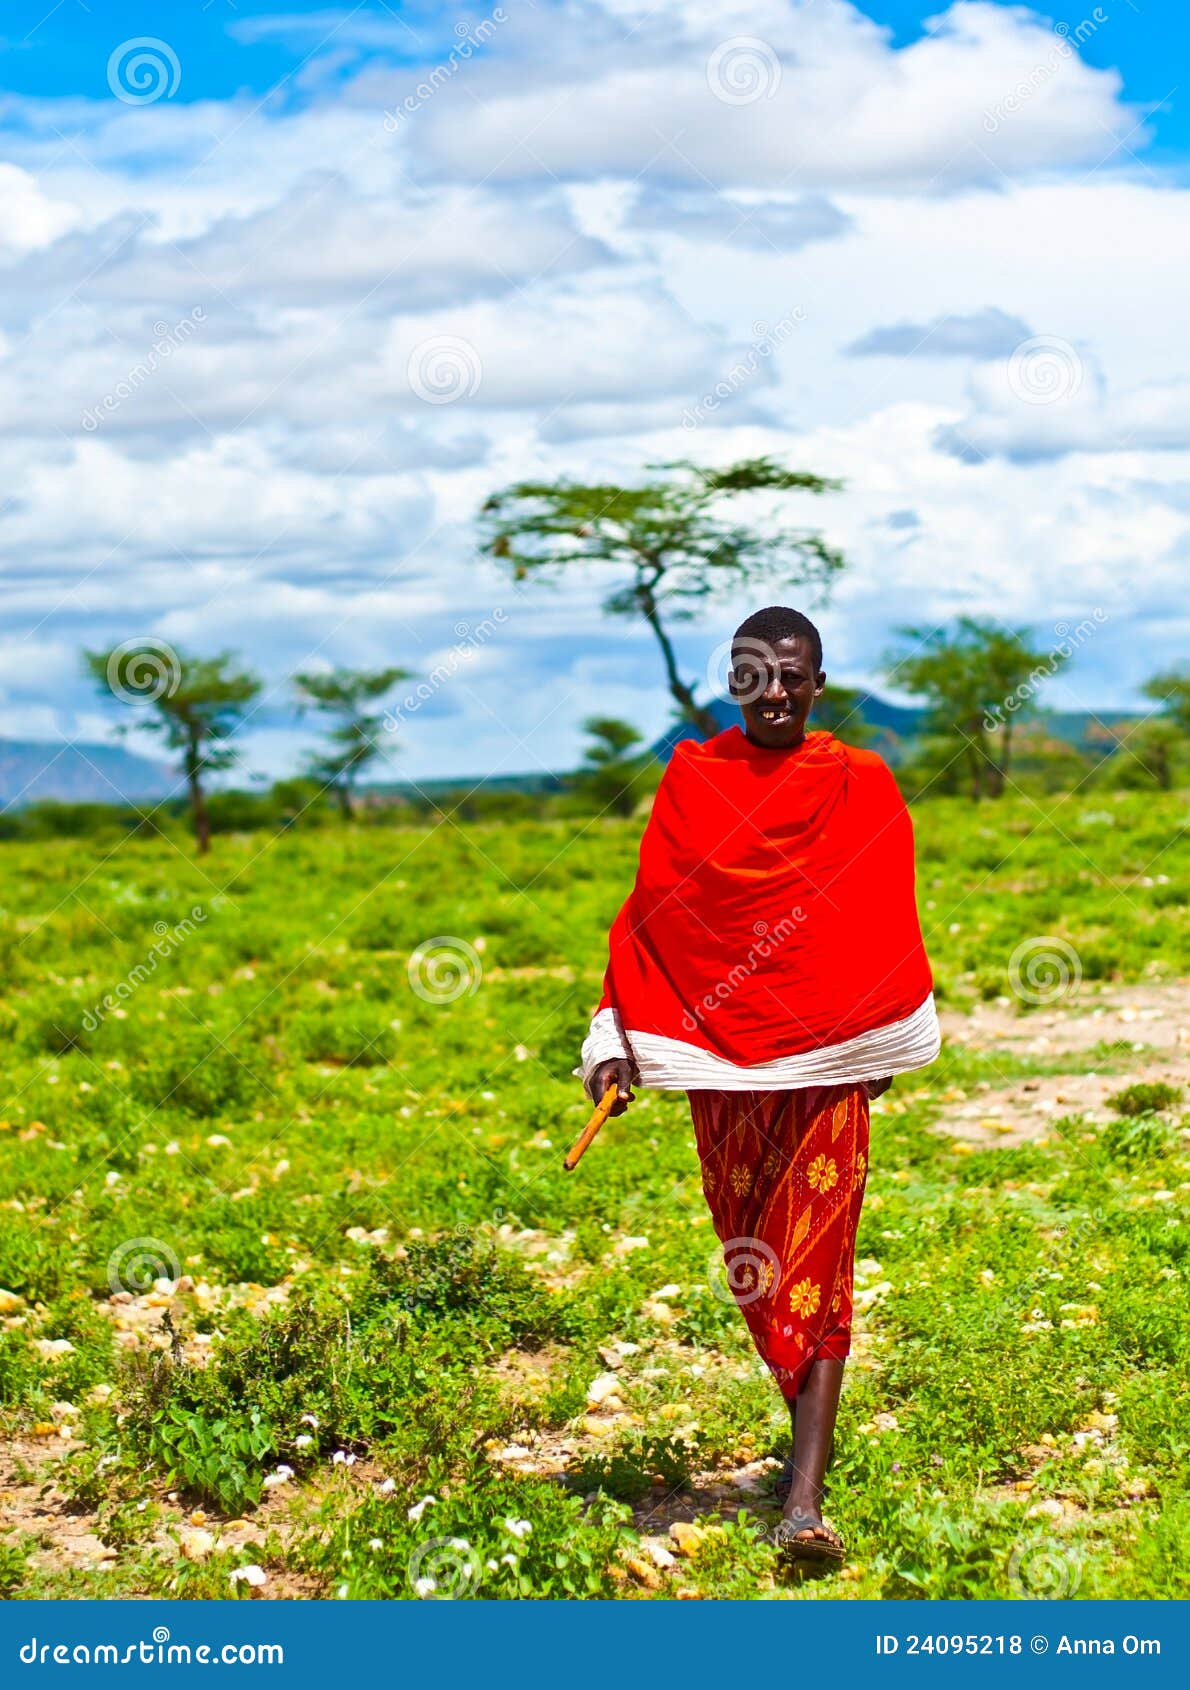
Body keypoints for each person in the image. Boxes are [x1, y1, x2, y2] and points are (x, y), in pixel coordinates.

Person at [578, 605, 940, 1565]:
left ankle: (803, 1502)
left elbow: (876, 903)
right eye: (755, 673)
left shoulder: (860, 780)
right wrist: (613, 1036)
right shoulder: (692, 780)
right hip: (720, 1067)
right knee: (756, 1257)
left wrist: (872, 1032)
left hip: (826, 1058)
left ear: (819, 683)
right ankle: (806, 1434)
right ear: (731, 682)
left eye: (793, 673)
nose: (774, 690)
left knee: (819, 1261)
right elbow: (652, 921)